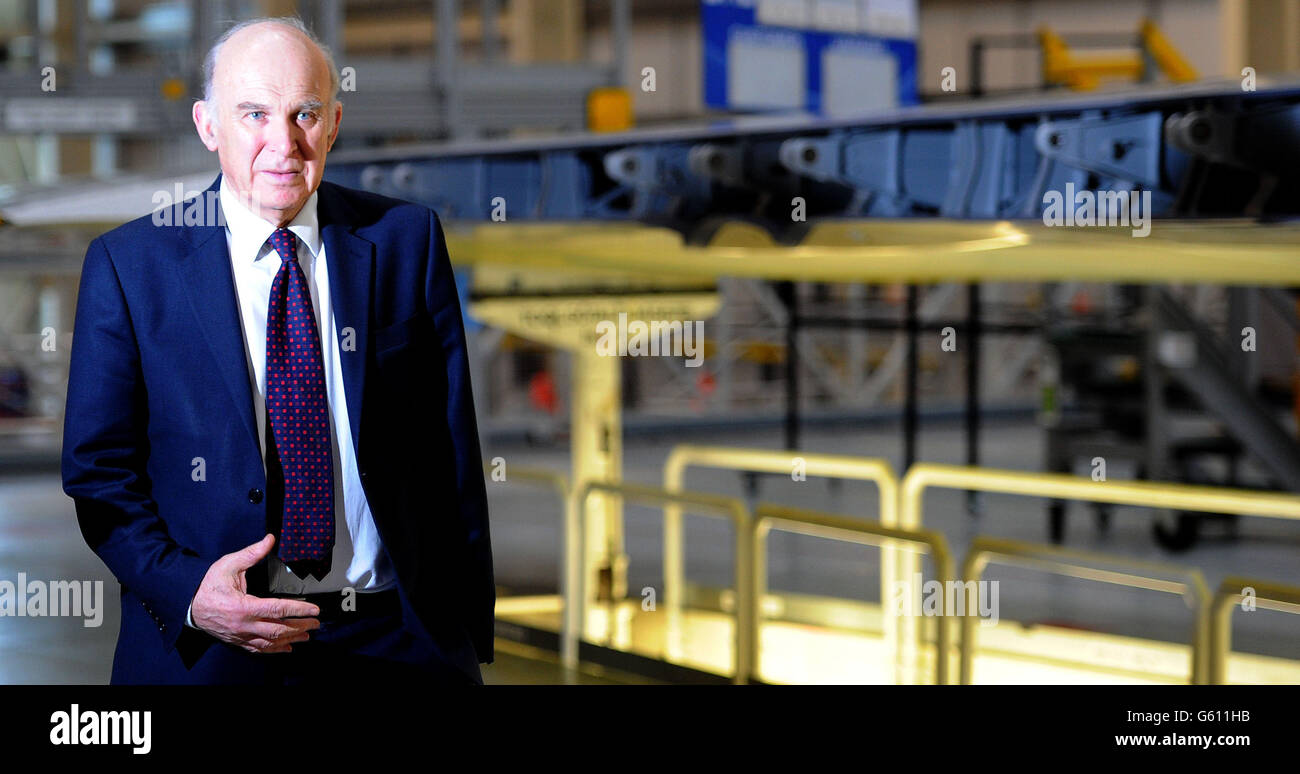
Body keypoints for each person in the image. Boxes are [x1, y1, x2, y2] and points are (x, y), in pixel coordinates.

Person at [60, 16, 494, 685]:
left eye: (305, 114)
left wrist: (465, 632)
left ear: (336, 121)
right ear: (209, 126)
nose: (283, 143)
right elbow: (99, 475)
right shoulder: (130, 266)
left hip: (395, 642)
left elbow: (452, 449)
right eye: (254, 114)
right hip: (217, 649)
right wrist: (190, 594)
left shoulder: (406, 241)